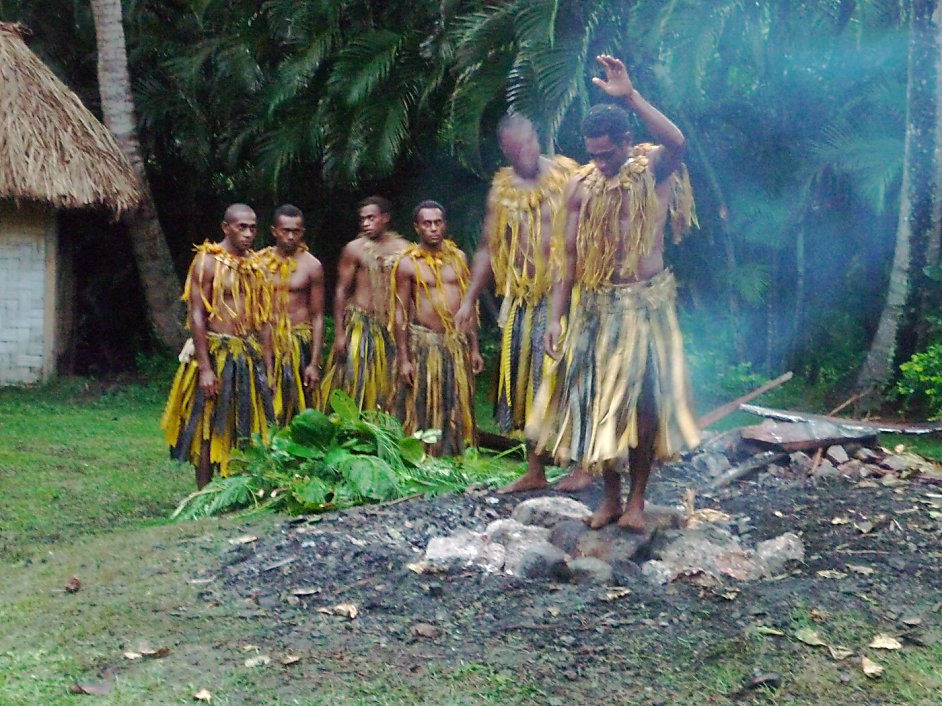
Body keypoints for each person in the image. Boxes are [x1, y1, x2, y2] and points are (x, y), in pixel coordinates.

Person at [526, 55, 700, 531]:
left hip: (645, 302)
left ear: (625, 141)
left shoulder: (654, 169)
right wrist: (556, 316)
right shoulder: (581, 186)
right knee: (596, 401)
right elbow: (567, 256)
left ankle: (638, 500)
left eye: (606, 153)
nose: (599, 162)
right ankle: (610, 497)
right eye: (593, 154)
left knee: (644, 403)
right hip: (597, 305)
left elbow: (678, 141)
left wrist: (630, 96)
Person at [454, 114, 588, 492]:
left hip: (568, 293)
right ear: (505, 150)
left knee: (571, 375)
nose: (526, 152)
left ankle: (584, 464)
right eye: (517, 148)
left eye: (530, 142)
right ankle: (535, 469)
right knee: (525, 380)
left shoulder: (568, 175)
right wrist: (468, 300)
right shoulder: (501, 192)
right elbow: (487, 247)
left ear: (537, 137)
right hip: (524, 296)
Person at [162, 203, 275, 488]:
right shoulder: (207, 262)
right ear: (226, 227)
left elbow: (264, 320)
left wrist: (269, 367)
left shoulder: (257, 266)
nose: (248, 234)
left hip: (247, 355)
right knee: (208, 425)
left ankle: (233, 490)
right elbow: (197, 315)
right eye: (242, 227)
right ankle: (204, 493)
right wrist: (205, 368)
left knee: (243, 426)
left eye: (253, 228)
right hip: (216, 353)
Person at [392, 201, 484, 456]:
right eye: (427, 224)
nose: (433, 228)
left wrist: (474, 348)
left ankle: (455, 449)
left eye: (438, 222)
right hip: (424, 342)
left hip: (455, 343)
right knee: (422, 399)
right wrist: (403, 358)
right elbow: (400, 312)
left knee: (455, 399)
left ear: (444, 224)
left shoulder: (459, 258)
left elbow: (468, 305)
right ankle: (421, 450)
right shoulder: (407, 263)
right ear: (417, 228)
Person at [321, 196, 408, 411]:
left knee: (389, 382)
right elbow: (341, 290)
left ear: (385, 218)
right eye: (362, 219)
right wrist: (339, 333)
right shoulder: (354, 249)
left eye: (371, 218)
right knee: (355, 380)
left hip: (391, 326)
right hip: (361, 325)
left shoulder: (405, 249)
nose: (366, 224)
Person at [258, 204, 325, 424]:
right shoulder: (258, 263)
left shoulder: (312, 266)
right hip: (265, 341)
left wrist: (314, 363)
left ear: (302, 232)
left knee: (299, 407)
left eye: (295, 231)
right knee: (263, 405)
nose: (290, 237)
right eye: (285, 231)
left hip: (298, 342)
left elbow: (317, 316)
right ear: (274, 231)